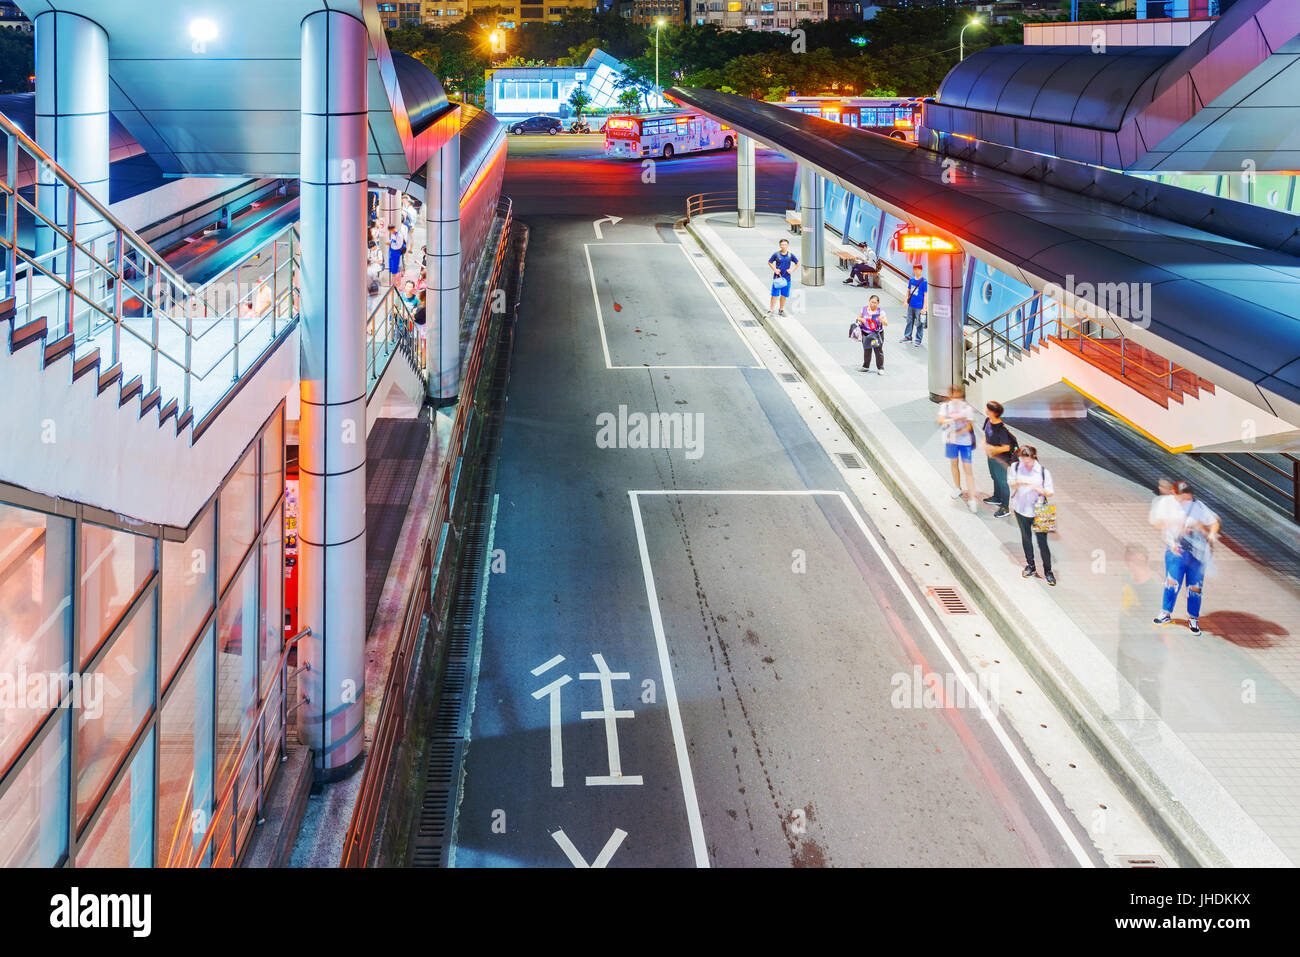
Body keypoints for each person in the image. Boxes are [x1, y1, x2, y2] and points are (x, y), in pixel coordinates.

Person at [1152, 480, 1219, 636]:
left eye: (1188, 496)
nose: (1186, 499)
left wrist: (1211, 534)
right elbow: (1158, 522)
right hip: (1176, 551)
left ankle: (1193, 618)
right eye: (1183, 496)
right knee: (1171, 582)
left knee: (1195, 587)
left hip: (1196, 553)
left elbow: (1214, 522)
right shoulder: (1167, 504)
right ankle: (1165, 613)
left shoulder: (1197, 505)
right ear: (1175, 494)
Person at [1117, 542, 1167, 742]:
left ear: (1144, 562)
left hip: (1147, 648)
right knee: (1124, 679)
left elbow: (1162, 624)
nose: (1132, 566)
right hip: (1127, 641)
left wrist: (1153, 652)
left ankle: (1151, 730)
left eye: (1136, 562)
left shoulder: (1153, 590)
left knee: (1148, 686)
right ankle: (1126, 711)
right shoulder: (1127, 578)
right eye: (1129, 561)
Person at [1009, 445, 1055, 585]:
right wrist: (1019, 482)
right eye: (1023, 461)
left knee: (1043, 543)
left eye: (1027, 461)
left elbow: (1050, 492)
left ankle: (1048, 571)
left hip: (1041, 510)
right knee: (1026, 538)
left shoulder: (1042, 472)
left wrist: (1037, 489)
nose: (1025, 464)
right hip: (1020, 508)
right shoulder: (1015, 467)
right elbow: (1011, 484)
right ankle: (1031, 566)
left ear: (1033, 457)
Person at [938, 387, 979, 512]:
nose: (957, 399)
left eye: (959, 396)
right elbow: (940, 421)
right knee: (954, 464)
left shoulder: (967, 408)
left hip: (965, 442)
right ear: (950, 397)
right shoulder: (945, 407)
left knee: (968, 469)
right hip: (951, 442)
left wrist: (956, 431)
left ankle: (972, 499)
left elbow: (968, 426)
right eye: (954, 396)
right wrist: (955, 419)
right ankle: (957, 487)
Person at [981, 400, 1017, 518]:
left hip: (1000, 460)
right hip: (991, 457)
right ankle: (997, 497)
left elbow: (1006, 447)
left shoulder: (1001, 429)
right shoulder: (988, 420)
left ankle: (1005, 507)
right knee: (994, 476)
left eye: (988, 409)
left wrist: (992, 449)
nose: (986, 410)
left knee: (1002, 481)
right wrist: (984, 444)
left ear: (993, 412)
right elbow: (985, 434)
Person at [855, 295, 888, 373]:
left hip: (875, 336)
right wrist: (861, 319)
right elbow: (858, 318)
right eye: (872, 302)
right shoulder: (864, 309)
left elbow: (886, 323)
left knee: (877, 350)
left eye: (875, 303)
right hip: (866, 334)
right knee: (867, 350)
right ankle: (865, 366)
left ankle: (880, 368)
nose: (873, 304)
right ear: (869, 301)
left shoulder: (881, 312)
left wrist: (880, 319)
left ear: (878, 303)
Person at [767, 239, 798, 317]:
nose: (783, 246)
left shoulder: (791, 255)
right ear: (780, 245)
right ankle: (771, 310)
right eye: (782, 244)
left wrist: (791, 270)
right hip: (777, 278)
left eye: (785, 244)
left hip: (787, 279)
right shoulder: (776, 255)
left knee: (784, 295)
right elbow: (770, 262)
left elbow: (797, 263)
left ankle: (781, 310)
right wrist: (775, 269)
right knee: (774, 295)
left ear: (787, 245)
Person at [901, 264, 927, 347]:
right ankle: (907, 337)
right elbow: (908, 291)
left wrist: (924, 307)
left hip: (919, 306)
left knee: (919, 323)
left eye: (918, 269)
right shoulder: (911, 280)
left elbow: (926, 295)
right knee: (909, 321)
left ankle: (918, 339)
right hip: (911, 304)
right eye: (915, 269)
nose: (916, 271)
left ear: (921, 270)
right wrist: (905, 301)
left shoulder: (924, 282)